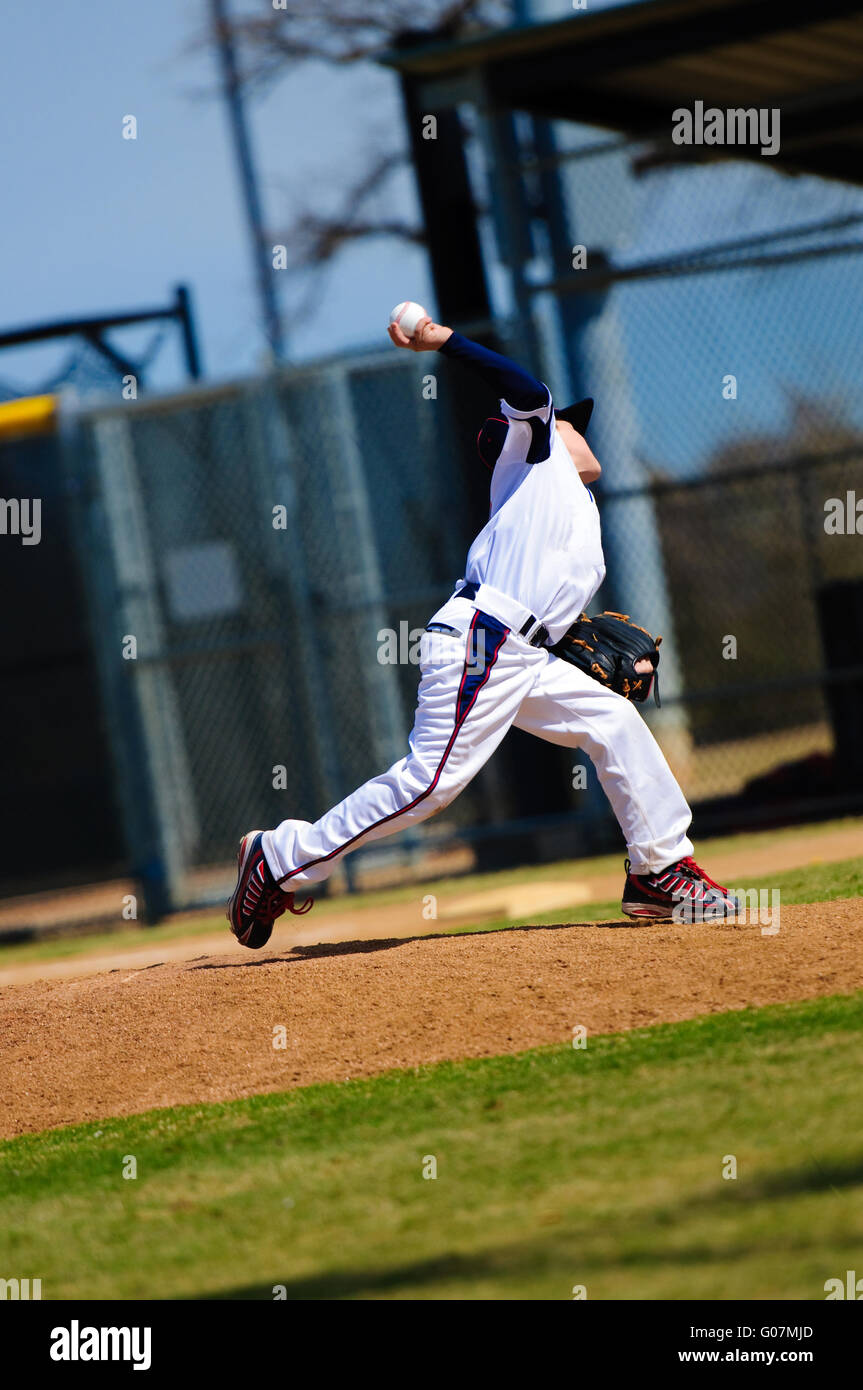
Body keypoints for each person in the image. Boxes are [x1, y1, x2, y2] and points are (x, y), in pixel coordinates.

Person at [228, 317, 736, 948]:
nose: (579, 426)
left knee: (614, 722)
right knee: (430, 784)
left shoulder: (564, 509)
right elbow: (524, 387)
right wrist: (445, 343)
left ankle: (658, 871)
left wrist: (567, 636)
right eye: (571, 419)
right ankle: (279, 858)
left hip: (517, 650)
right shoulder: (534, 451)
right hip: (486, 638)